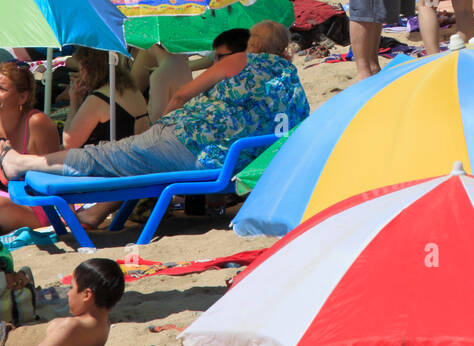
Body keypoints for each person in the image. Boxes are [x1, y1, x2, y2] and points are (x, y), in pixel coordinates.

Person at [0, 20, 309, 179]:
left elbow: (182, 95)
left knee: (105, 157)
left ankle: (22, 163)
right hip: (237, 159)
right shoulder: (293, 84)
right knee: (116, 156)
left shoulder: (242, 61)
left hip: (191, 146)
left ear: (251, 43)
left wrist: (168, 123)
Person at [0, 259, 125, 346]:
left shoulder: (70, 327)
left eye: (71, 288)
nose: (68, 294)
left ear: (87, 295)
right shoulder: (103, 327)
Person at [0, 62, 60, 232]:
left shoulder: (36, 124)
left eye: (2, 88)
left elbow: (55, 179)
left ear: (22, 97)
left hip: (38, 207)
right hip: (8, 201)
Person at [63, 49, 149, 150]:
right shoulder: (130, 88)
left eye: (81, 69)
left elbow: (68, 143)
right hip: (135, 156)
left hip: (112, 161)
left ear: (87, 69)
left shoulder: (98, 100)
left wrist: (74, 102)